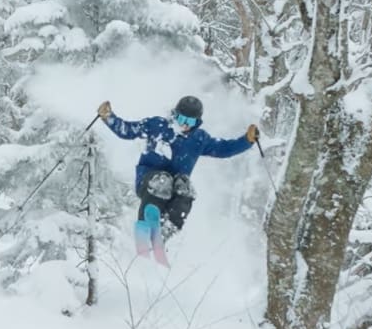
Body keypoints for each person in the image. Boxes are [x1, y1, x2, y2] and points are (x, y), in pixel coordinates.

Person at [97, 95, 259, 240]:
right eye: (182, 119)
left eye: (190, 121)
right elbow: (128, 130)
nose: (185, 124)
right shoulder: (158, 126)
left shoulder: (199, 139)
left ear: (197, 122)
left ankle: (166, 230)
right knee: (164, 179)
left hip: (174, 192)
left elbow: (224, 149)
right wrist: (108, 117)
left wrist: (247, 140)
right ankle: (145, 227)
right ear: (175, 115)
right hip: (149, 183)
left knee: (185, 186)